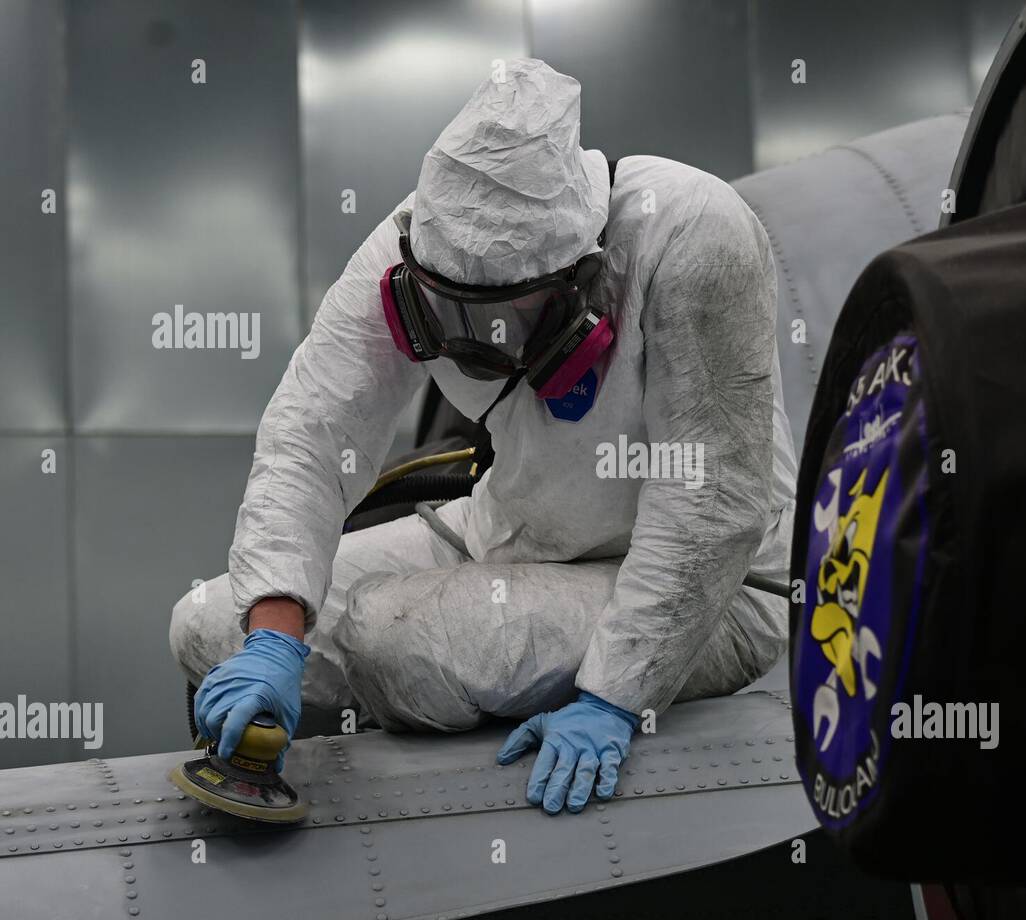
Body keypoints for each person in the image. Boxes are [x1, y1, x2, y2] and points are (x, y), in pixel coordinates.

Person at [169, 59, 796, 814]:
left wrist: (615, 696)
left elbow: (710, 502)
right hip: (509, 533)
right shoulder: (418, 246)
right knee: (210, 625)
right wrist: (275, 637)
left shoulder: (693, 233)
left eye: (502, 315)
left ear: (581, 278)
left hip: (719, 586)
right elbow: (311, 433)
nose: (472, 342)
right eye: (449, 310)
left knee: (396, 646)